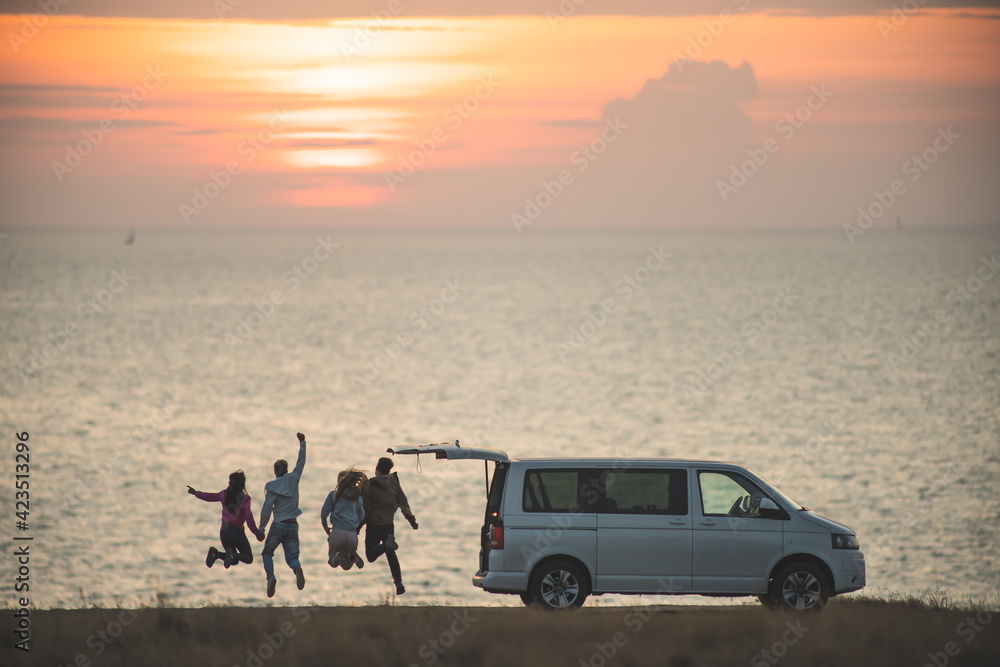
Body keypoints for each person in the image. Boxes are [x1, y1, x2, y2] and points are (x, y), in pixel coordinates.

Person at [259, 432, 307, 598]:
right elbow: (301, 462)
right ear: (286, 469)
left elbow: (266, 509)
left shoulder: (272, 487)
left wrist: (261, 528)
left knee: (267, 553)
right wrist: (302, 443)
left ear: (275, 471)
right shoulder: (294, 478)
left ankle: (271, 577)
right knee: (292, 557)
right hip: (293, 525)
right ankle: (297, 568)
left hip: (278, 525)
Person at [362, 456, 418, 595]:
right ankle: (399, 583)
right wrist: (412, 521)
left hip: (374, 525)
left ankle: (386, 545)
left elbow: (366, 509)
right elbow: (404, 504)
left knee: (370, 556)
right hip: (388, 525)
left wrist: (357, 526)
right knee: (391, 554)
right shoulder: (394, 484)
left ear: (376, 469)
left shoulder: (370, 485)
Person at [187, 470, 264, 569]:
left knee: (234, 560)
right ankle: (231, 554)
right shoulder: (245, 498)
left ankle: (216, 554)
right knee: (248, 558)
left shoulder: (223, 494)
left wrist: (196, 493)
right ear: (242, 485)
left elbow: (210, 497)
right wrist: (257, 533)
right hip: (237, 532)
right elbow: (249, 518)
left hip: (224, 532)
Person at [320, 467, 368, 570]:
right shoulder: (358, 498)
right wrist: (356, 526)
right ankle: (351, 556)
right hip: (352, 535)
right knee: (347, 566)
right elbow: (362, 515)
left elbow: (324, 514)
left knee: (333, 562)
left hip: (337, 532)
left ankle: (338, 555)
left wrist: (326, 528)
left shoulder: (334, 495)